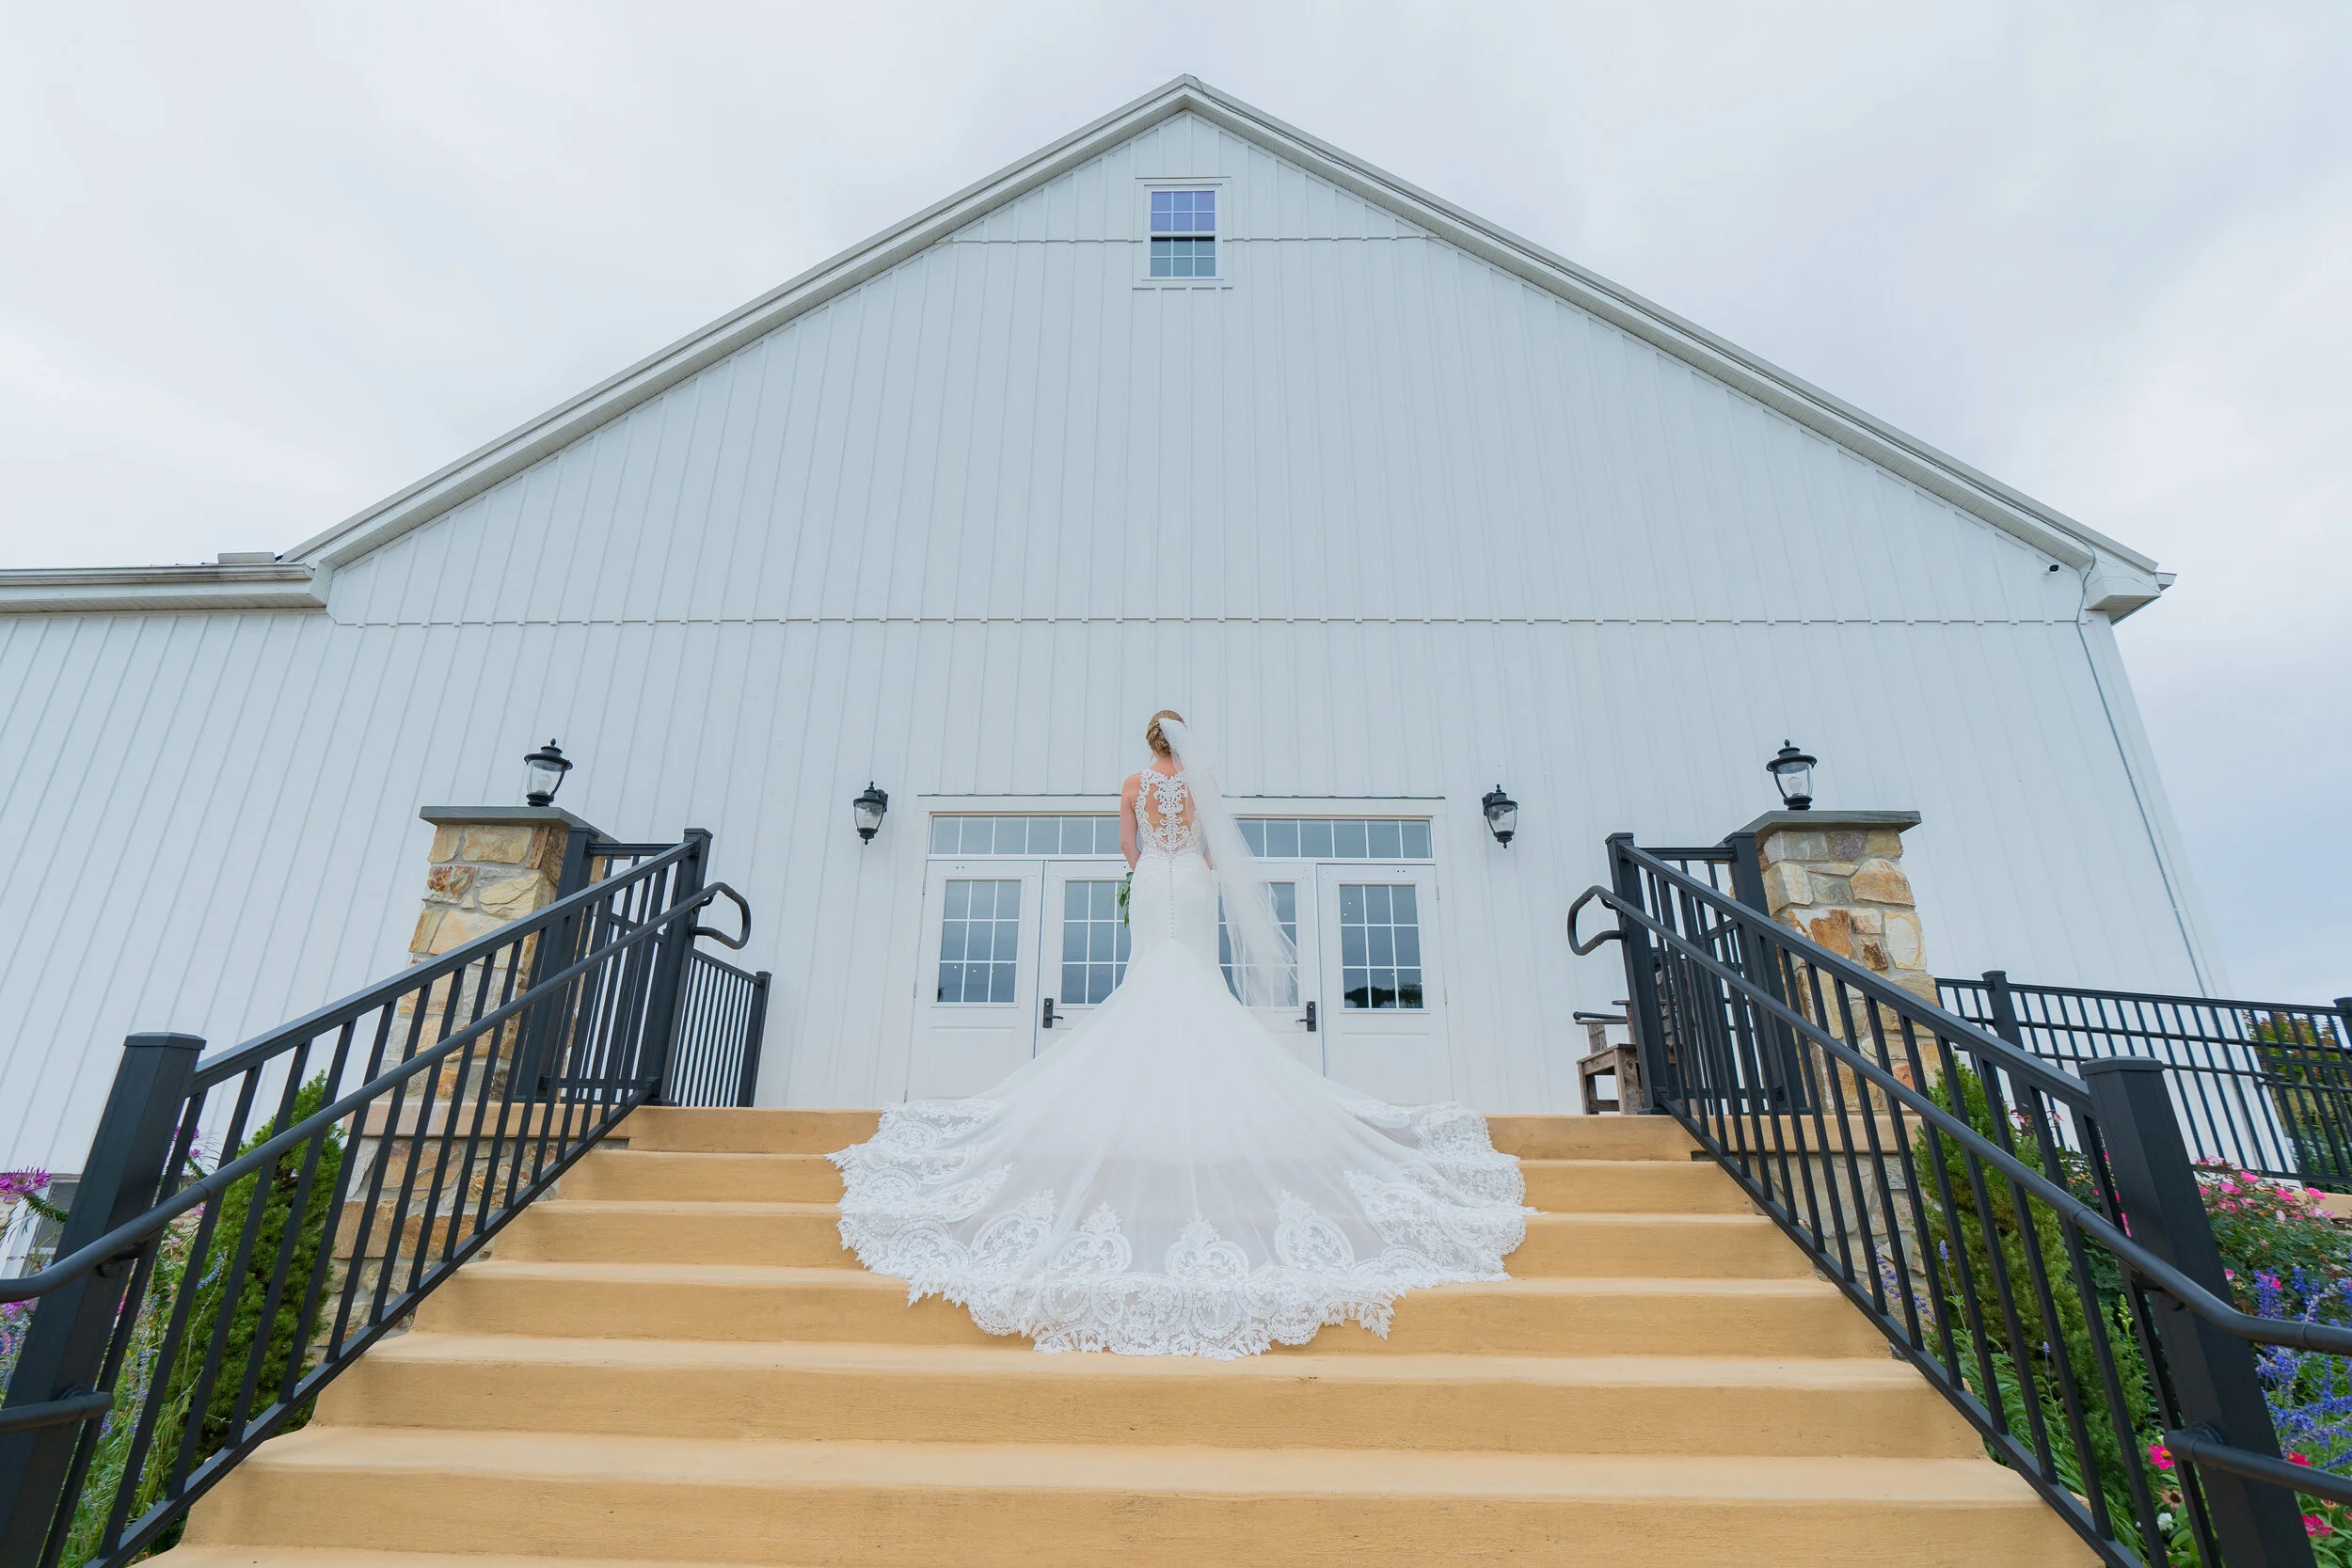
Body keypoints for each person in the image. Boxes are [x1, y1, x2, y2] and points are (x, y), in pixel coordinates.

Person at [830, 710, 1526, 1358]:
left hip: (1158, 885)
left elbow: (1129, 849)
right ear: (1184, 743)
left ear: (1147, 742)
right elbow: (1218, 852)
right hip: (1191, 883)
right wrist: (1189, 863)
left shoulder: (1135, 783)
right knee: (1196, 977)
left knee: (1148, 978)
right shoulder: (1205, 784)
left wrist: (1151, 872)